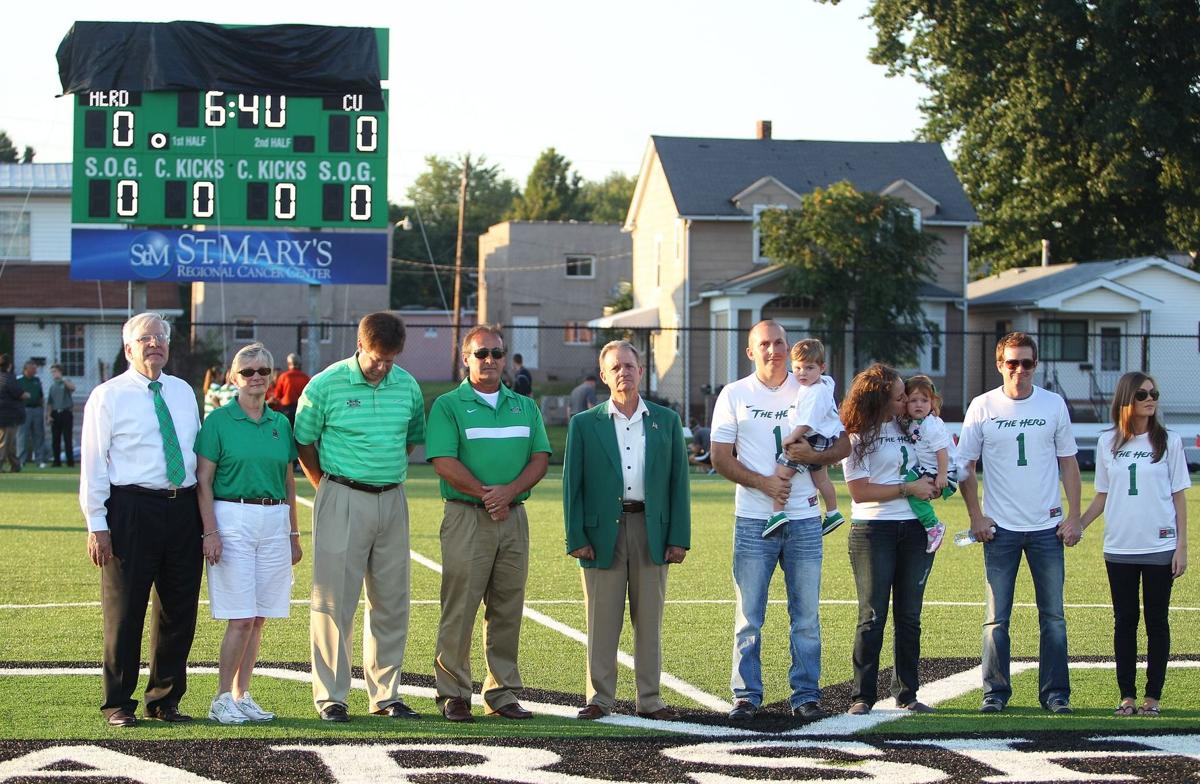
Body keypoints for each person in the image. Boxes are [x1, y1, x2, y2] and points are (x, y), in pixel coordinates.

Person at [709, 320, 850, 722]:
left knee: (805, 615)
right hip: (754, 518)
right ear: (750, 352)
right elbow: (720, 457)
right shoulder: (734, 393)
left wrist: (814, 458)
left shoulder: (812, 385)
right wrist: (766, 484)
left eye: (779, 343)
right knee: (749, 616)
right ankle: (746, 695)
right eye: (765, 344)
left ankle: (806, 694)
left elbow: (841, 442)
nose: (773, 350)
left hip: (805, 518)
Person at [294, 311, 426, 722]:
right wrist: (327, 487)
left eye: (391, 359)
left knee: (391, 601)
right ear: (360, 345)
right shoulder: (326, 384)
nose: (383, 367)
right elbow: (304, 441)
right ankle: (331, 697)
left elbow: (411, 439)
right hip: (341, 494)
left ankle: (385, 695)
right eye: (377, 359)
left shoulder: (406, 385)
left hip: (392, 498)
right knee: (334, 601)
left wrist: (382, 475)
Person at [79, 312, 203, 727]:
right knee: (125, 609)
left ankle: (165, 700)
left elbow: (194, 455)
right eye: (145, 339)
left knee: (179, 609)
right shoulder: (108, 395)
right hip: (131, 508)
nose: (154, 344)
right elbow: (94, 463)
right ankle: (117, 702)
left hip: (183, 508)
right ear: (128, 348)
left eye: (160, 338)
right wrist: (97, 522)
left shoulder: (183, 391)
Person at [426, 325, 551, 722]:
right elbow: (443, 461)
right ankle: (453, 693)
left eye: (497, 354)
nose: (490, 361)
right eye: (481, 354)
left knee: (508, 606)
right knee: (460, 607)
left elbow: (540, 458)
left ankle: (502, 692)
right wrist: (488, 494)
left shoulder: (524, 406)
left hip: (513, 517)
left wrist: (508, 492)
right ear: (466, 358)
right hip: (467, 516)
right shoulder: (448, 405)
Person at [564, 340, 690, 721]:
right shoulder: (585, 424)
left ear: (641, 370)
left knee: (648, 621)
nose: (624, 372)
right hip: (603, 534)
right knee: (602, 619)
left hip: (651, 529)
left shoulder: (666, 420)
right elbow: (573, 485)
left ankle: (650, 700)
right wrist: (576, 538)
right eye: (615, 367)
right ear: (604, 376)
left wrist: (678, 537)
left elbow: (678, 482)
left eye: (630, 366)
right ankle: (599, 699)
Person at [958, 331, 1081, 715]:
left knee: (1054, 617)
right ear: (1000, 365)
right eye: (1012, 362)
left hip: (1047, 527)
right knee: (996, 619)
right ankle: (994, 693)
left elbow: (1069, 463)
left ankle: (1056, 694)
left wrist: (1074, 515)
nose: (1020, 370)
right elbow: (966, 467)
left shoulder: (1053, 404)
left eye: (1027, 363)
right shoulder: (982, 406)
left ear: (1035, 365)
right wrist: (976, 516)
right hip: (1001, 529)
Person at [195, 343, 301, 724]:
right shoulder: (218, 422)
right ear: (233, 378)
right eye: (247, 372)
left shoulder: (280, 424)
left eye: (262, 371)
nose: (256, 378)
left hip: (274, 521)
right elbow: (203, 481)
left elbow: (288, 481)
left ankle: (241, 695)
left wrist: (293, 534)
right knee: (239, 617)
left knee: (258, 618)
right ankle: (221, 697)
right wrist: (210, 532)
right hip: (232, 517)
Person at [1080, 372, 1189, 717]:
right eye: (1143, 394)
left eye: (1154, 393)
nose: (1151, 399)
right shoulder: (1107, 442)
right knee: (1124, 621)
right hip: (1119, 548)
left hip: (1159, 547)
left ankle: (1153, 698)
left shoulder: (1169, 441)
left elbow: (1179, 498)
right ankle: (1126, 696)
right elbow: (1102, 494)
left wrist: (1182, 546)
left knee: (1157, 622)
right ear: (1127, 399)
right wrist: (1078, 525)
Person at [840, 363, 940, 715]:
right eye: (898, 397)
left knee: (910, 616)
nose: (904, 402)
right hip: (873, 530)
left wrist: (937, 482)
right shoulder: (856, 433)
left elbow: (935, 457)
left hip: (915, 529)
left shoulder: (914, 426)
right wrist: (906, 488)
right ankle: (862, 695)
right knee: (872, 615)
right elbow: (859, 491)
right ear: (880, 399)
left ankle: (907, 693)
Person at [766, 339, 844, 538]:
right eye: (798, 367)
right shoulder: (825, 383)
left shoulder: (814, 393)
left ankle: (777, 513)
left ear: (822, 367)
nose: (802, 373)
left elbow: (808, 422)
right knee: (821, 479)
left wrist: (791, 438)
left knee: (781, 474)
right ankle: (833, 512)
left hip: (810, 439)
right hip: (824, 438)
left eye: (809, 368)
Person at [900, 375, 957, 553]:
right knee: (908, 482)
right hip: (928, 468)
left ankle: (933, 525)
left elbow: (942, 451)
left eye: (924, 400)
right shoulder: (915, 423)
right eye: (913, 400)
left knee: (910, 488)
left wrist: (941, 475)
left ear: (932, 403)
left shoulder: (931, 425)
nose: (919, 405)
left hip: (944, 471)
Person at [17, 360, 48, 468]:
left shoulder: (37, 380)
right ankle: (21, 460)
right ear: (27, 369)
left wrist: (43, 409)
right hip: (24, 409)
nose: (35, 371)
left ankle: (40, 460)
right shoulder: (19, 380)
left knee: (39, 435)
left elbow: (41, 395)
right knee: (22, 436)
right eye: (33, 368)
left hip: (37, 410)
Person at [268, 353, 310, 427]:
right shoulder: (306, 377)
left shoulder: (284, 376)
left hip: (286, 409)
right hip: (302, 409)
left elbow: (278, 395)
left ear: (289, 363)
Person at [0, 354, 26, 473]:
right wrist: (27, 395)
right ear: (9, 366)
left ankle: (15, 465)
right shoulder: (8, 378)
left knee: (8, 442)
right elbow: (19, 393)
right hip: (9, 415)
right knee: (6, 442)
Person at [48, 364, 77, 468]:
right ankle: (57, 461)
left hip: (66, 413)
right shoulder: (53, 386)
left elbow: (72, 388)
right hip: (56, 413)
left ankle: (70, 461)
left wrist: (63, 380)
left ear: (60, 371)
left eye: (55, 371)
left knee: (67, 438)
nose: (54, 374)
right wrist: (48, 416)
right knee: (55, 439)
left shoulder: (65, 382)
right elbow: (50, 402)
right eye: (52, 372)